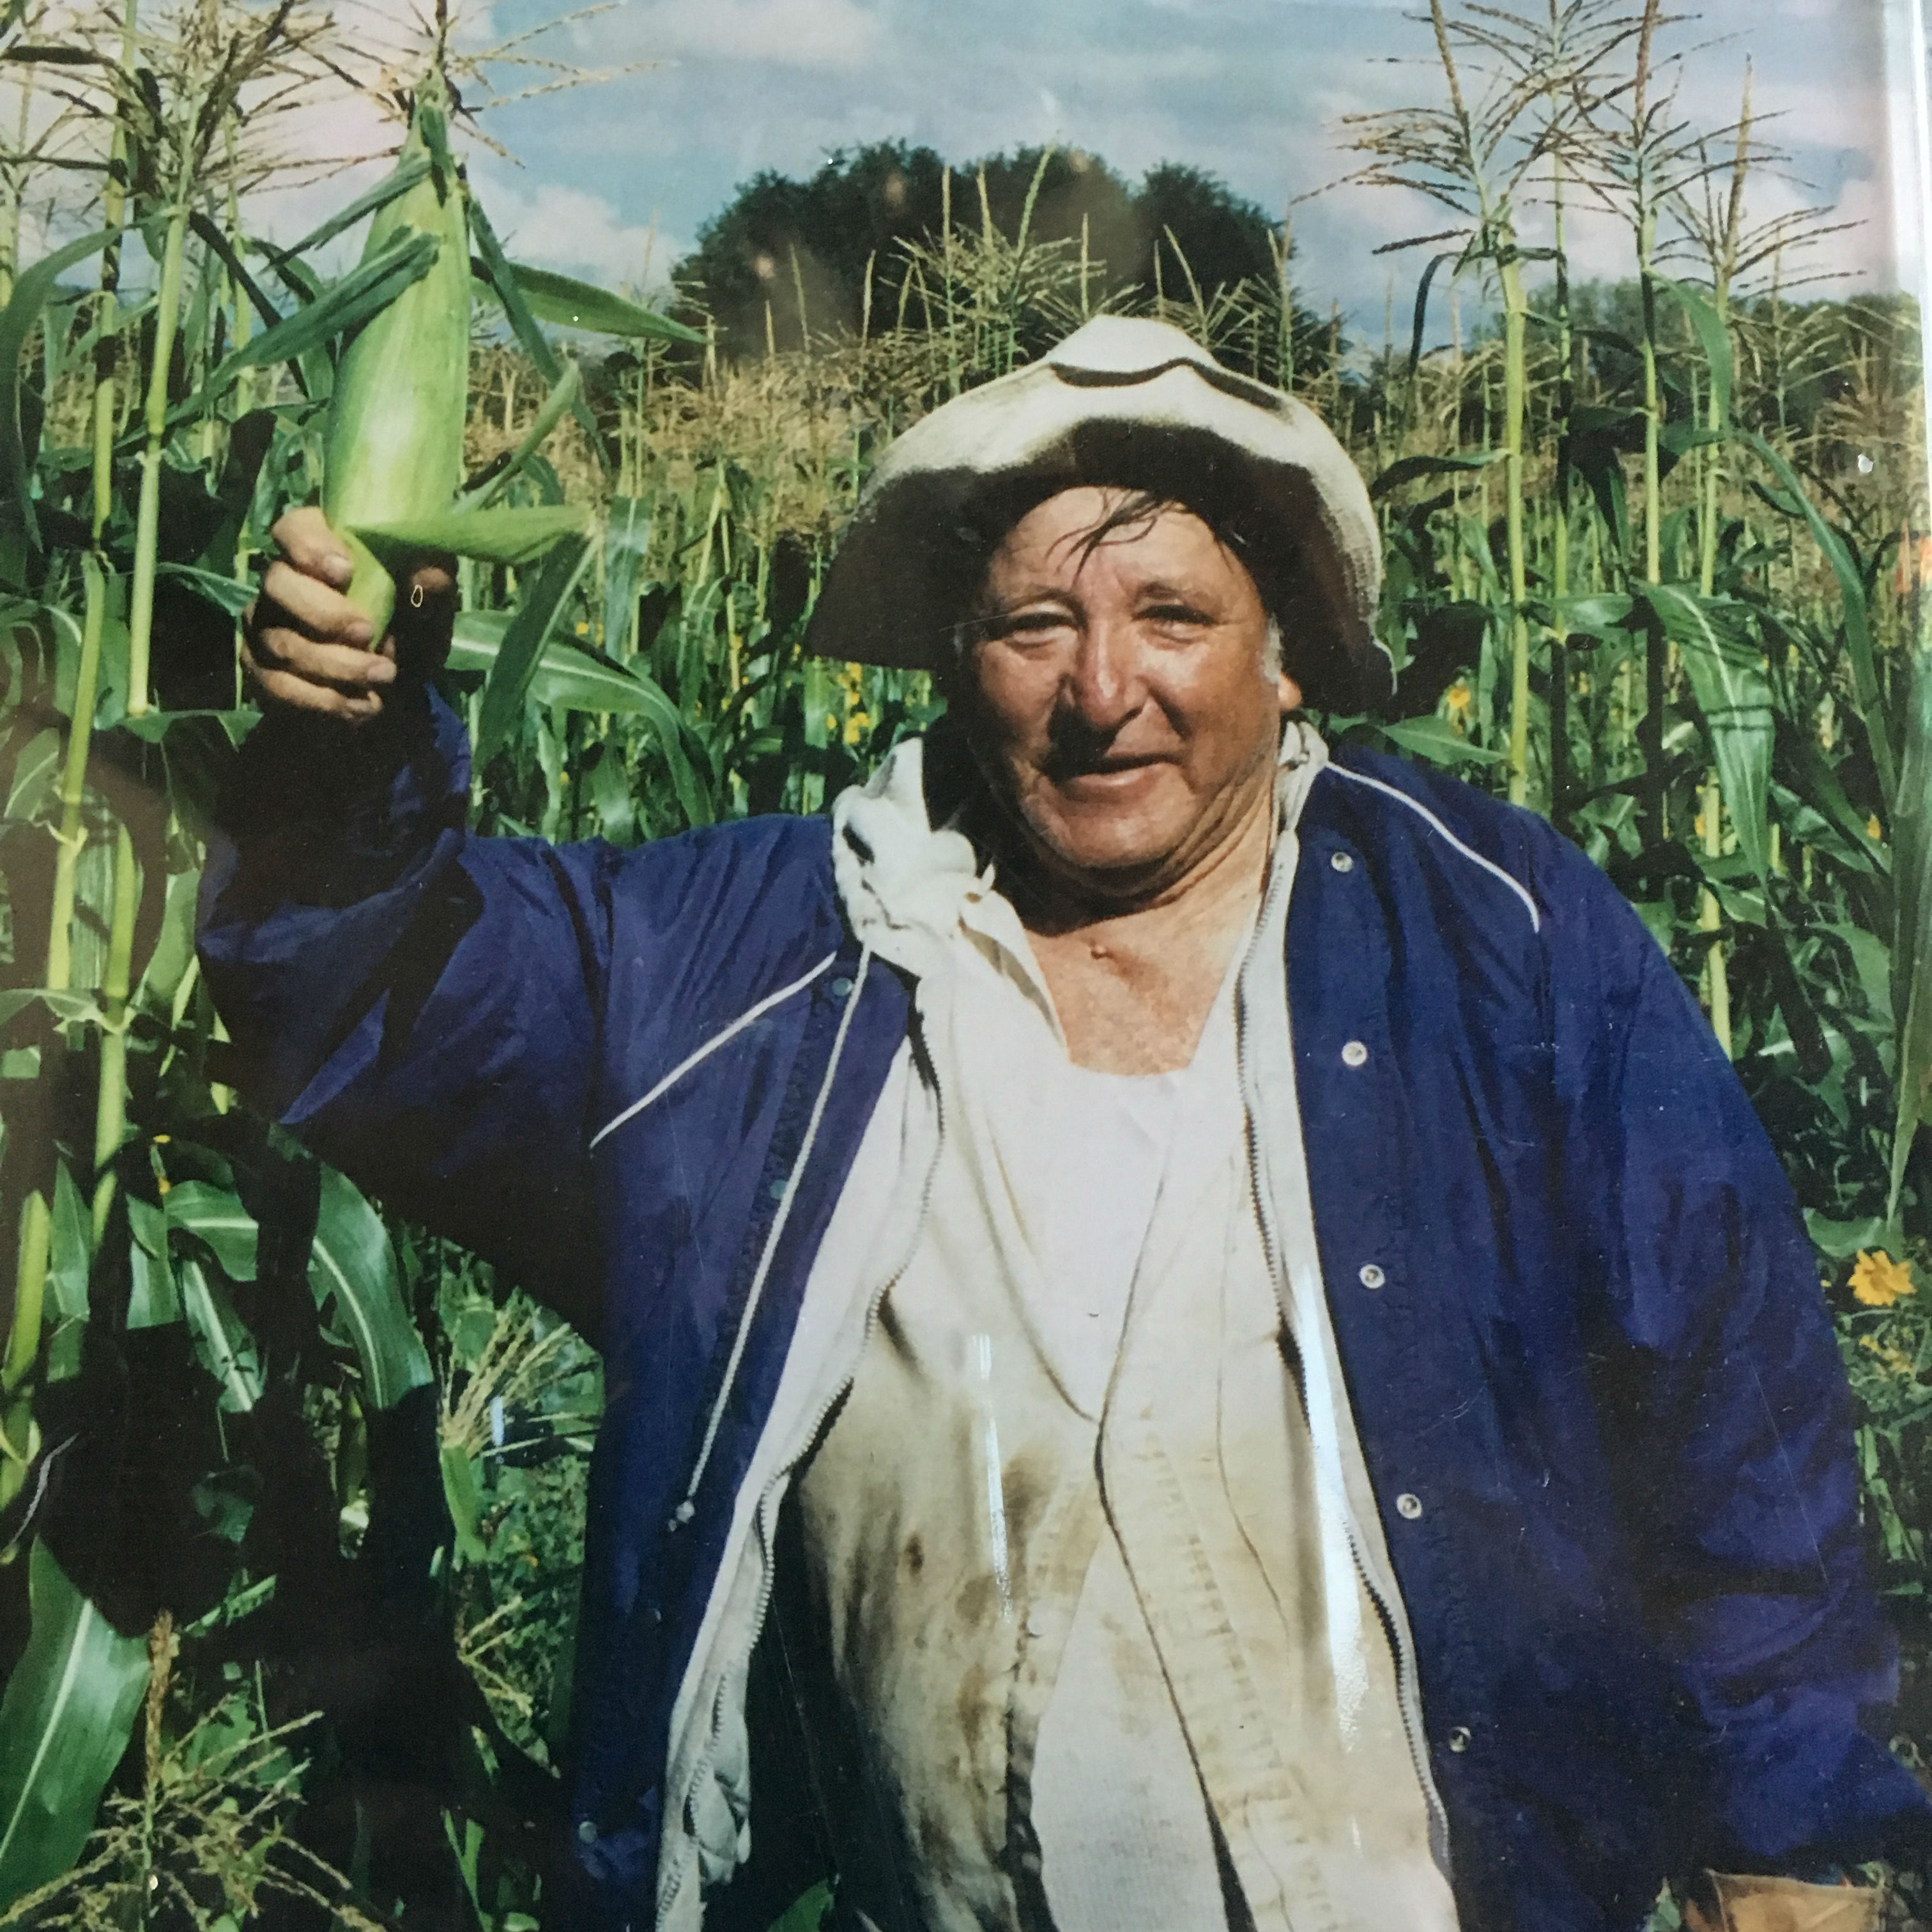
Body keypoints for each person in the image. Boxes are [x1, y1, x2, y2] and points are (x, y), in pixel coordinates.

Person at [201, 316, 1928, 1932]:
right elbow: (372, 1005)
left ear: (1293, 655)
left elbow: (1734, 1419)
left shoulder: (1499, 943)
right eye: (1037, 625)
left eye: (1172, 616)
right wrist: (346, 760)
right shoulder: (763, 952)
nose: (1103, 689)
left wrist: (1789, 1851)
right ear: (958, 656)